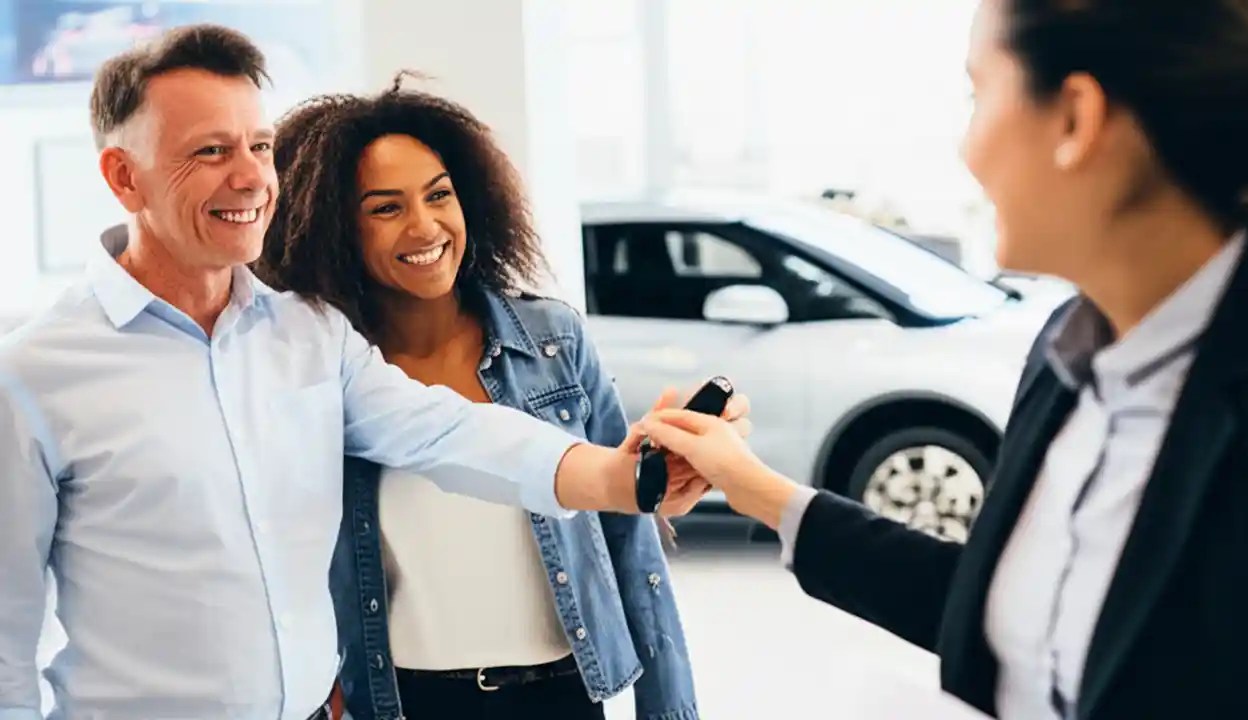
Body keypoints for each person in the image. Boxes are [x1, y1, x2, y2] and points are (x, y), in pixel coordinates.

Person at [0, 25, 744, 720]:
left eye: (259, 146)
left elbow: (451, 433)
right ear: (123, 177)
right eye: (211, 152)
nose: (253, 177)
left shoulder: (309, 335)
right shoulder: (36, 374)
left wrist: (619, 478)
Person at [638, 0, 1248, 718]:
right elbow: (998, 607)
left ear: (1075, 118)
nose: (965, 148)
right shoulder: (1066, 349)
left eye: (979, 93)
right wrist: (756, 489)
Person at [251, 81, 699, 720]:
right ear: (334, 229)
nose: (424, 225)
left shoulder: (552, 340)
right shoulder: (327, 374)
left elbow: (629, 542)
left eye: (439, 195)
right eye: (385, 208)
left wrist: (670, 708)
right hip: (407, 702)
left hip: (563, 695)